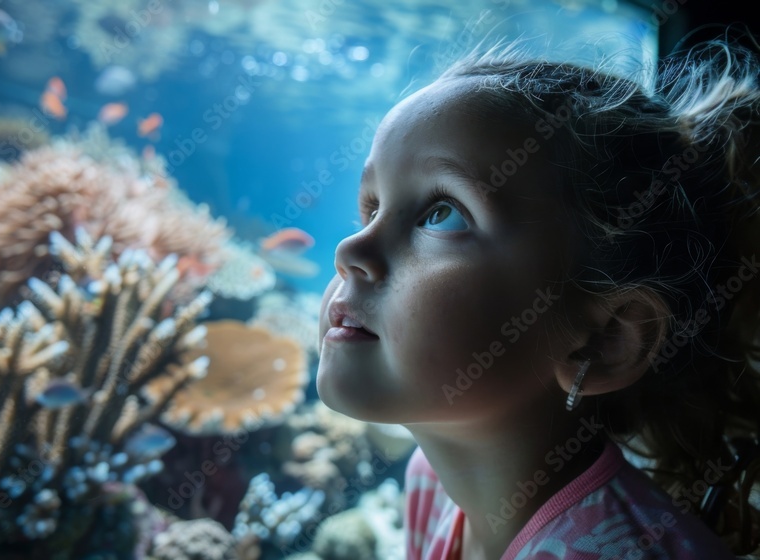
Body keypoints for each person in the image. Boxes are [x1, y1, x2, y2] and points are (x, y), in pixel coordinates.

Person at [316, 31, 760, 560]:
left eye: (444, 214)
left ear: (603, 341)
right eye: (371, 208)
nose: (350, 249)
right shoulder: (431, 484)